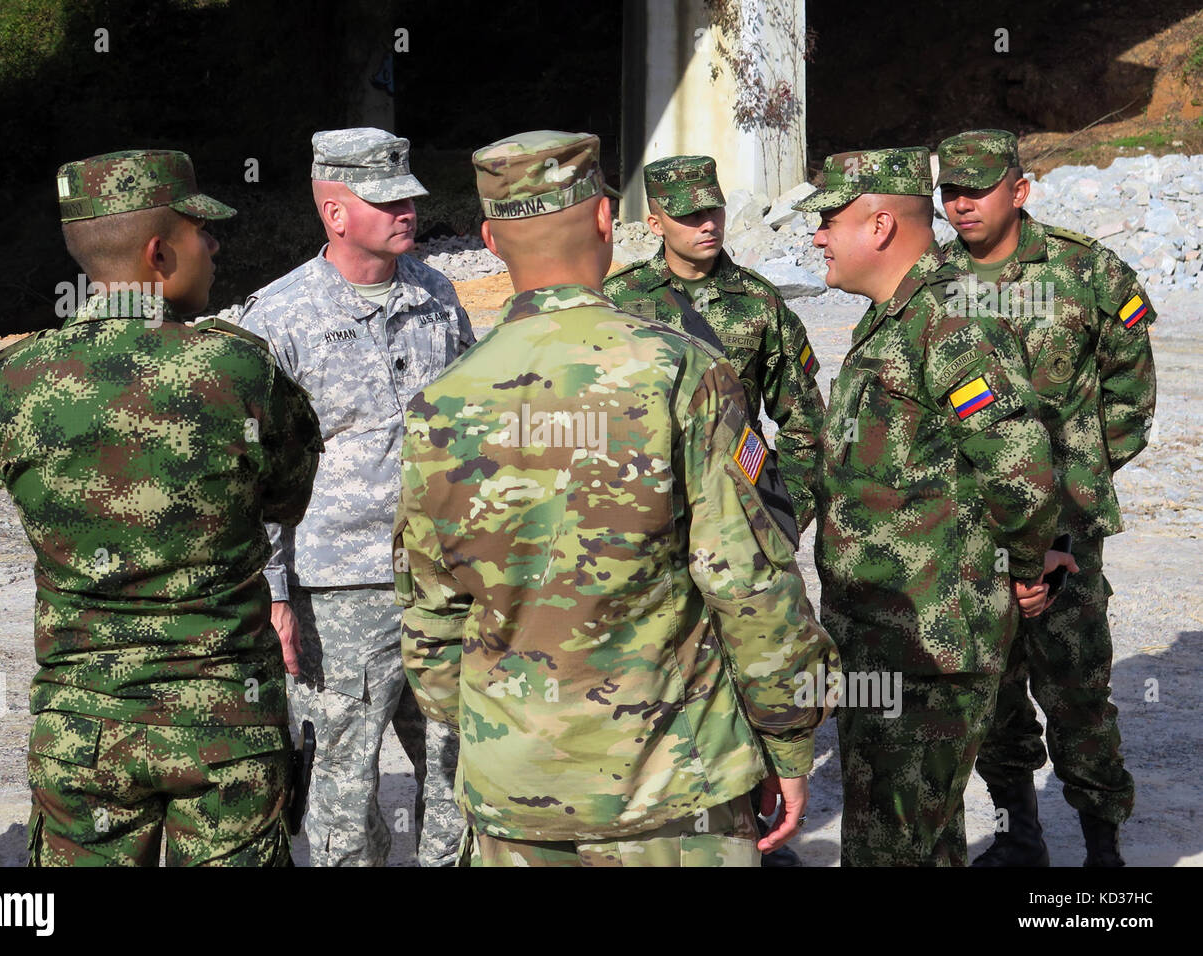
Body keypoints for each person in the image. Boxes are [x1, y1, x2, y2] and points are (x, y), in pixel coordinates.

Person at [395, 129, 839, 867]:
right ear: (606, 220)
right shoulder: (679, 372)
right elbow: (749, 583)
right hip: (674, 793)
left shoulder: (439, 405)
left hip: (517, 799)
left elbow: (430, 618)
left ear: (489, 241)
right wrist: (789, 735)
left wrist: (504, 735)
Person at [0, 148, 322, 865]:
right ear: (161, 253)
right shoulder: (240, 369)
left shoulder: (19, 379)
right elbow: (289, 497)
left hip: (84, 728)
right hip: (228, 728)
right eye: (203, 232)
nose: (216, 246)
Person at [792, 146, 1066, 866]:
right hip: (889, 640)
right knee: (911, 844)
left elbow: (1023, 466)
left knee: (891, 850)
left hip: (930, 645)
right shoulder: (896, 318)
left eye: (829, 219)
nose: (818, 235)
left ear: (879, 225)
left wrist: (1024, 565)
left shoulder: (947, 322)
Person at [238, 128, 471, 867]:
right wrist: (272, 591)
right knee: (342, 779)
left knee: (457, 762)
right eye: (386, 198)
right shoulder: (276, 319)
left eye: (409, 195)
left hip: (439, 575)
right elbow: (254, 472)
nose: (407, 209)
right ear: (336, 214)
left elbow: (469, 424)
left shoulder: (436, 294)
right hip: (337, 589)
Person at [936, 129, 1155, 867]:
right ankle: (1016, 836)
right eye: (948, 192)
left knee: (1078, 691)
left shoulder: (1087, 270)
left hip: (1065, 530)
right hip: (972, 531)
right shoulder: (930, 281)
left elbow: (1131, 391)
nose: (961, 203)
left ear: (1020, 191)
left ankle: (1103, 848)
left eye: (977, 188)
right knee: (993, 694)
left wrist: (1079, 482)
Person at [603, 156, 825, 532]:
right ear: (655, 224)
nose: (707, 224)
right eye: (690, 215)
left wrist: (784, 512)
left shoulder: (760, 301)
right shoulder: (618, 299)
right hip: (642, 515)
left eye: (713, 210)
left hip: (734, 514)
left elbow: (806, 422)